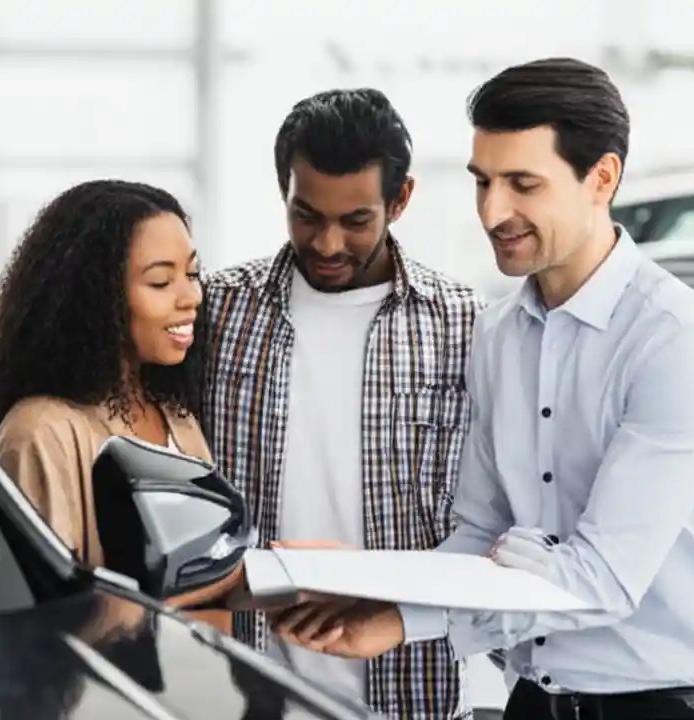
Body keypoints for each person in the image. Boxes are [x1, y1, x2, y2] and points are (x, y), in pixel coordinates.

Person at [269, 58, 694, 720]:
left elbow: (601, 580)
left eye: (522, 184)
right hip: (534, 703)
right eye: (483, 182)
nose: (492, 211)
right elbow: (482, 532)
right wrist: (384, 600)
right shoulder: (500, 331)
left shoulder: (675, 340)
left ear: (603, 178)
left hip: (675, 708)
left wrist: (418, 601)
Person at [199, 88, 484, 719]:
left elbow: (490, 524)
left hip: (411, 693)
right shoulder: (219, 313)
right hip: (249, 688)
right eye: (306, 216)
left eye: (355, 221)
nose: (327, 244)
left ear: (400, 200)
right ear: (285, 193)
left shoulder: (464, 326)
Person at [0, 178, 235, 629]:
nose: (191, 297)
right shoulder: (40, 433)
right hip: (112, 697)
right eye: (160, 280)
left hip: (201, 693)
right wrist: (236, 578)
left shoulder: (177, 416)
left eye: (191, 274)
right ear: (95, 299)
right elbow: (48, 621)